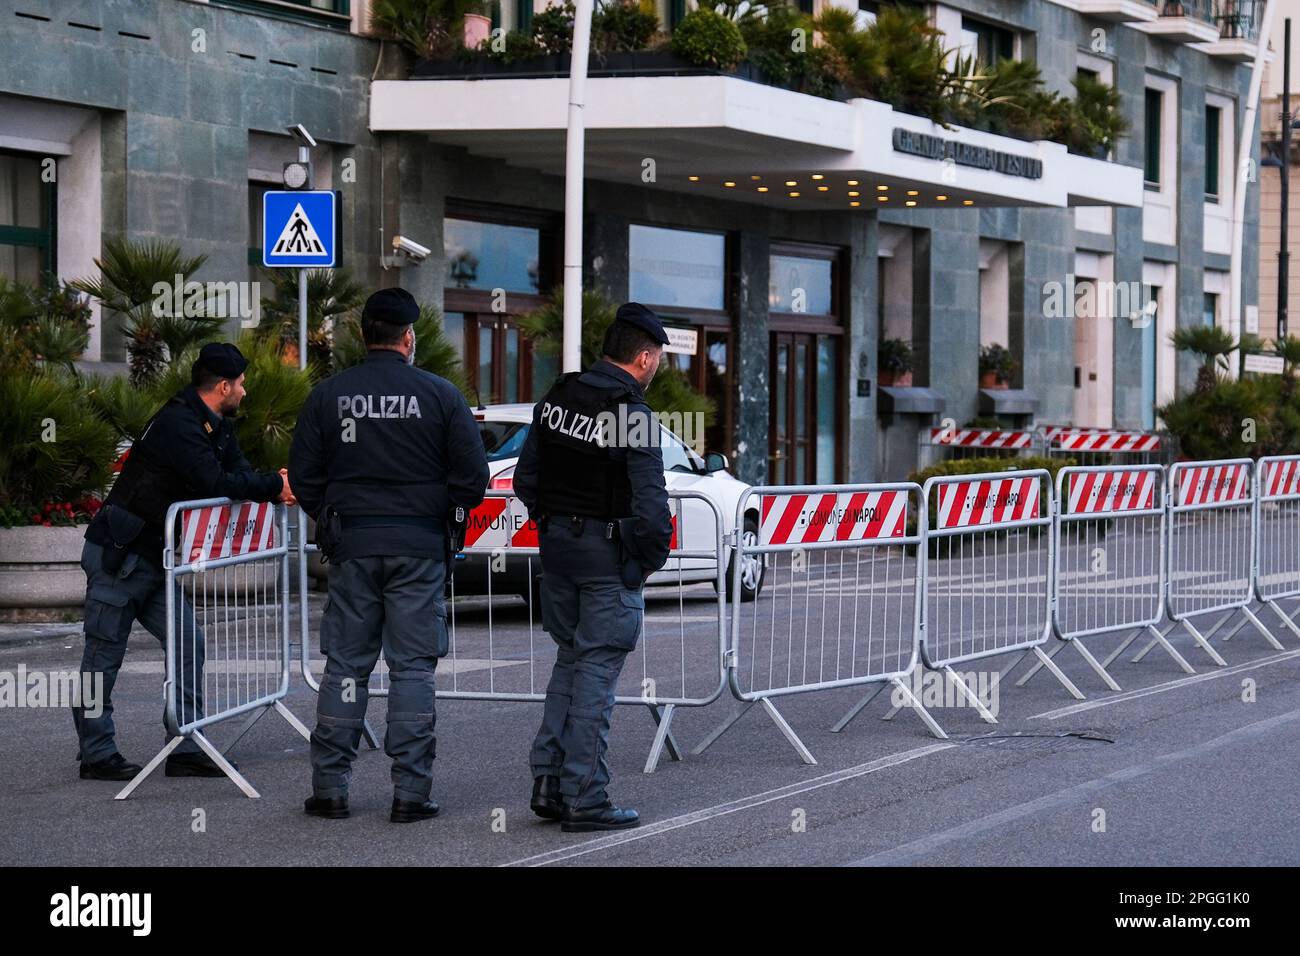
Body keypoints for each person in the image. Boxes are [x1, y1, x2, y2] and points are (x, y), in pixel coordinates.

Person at [289, 287, 488, 823]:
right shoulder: (441, 395)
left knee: (346, 667)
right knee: (412, 670)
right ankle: (411, 794)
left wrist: (336, 513)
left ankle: (330, 789)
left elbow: (305, 477)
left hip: (353, 548)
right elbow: (473, 482)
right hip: (420, 550)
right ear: (409, 338)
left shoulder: (329, 395)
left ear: (361, 335)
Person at [75, 342, 294, 781]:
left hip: (153, 559)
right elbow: (214, 480)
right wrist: (274, 485)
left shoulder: (215, 424)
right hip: (120, 555)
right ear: (224, 386)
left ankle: (186, 743)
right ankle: (97, 753)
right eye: (243, 386)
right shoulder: (179, 423)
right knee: (103, 656)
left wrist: (274, 483)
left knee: (187, 642)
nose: (246, 394)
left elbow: (239, 472)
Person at [514, 302, 674, 833]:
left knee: (571, 662)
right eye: (658, 360)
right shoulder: (631, 413)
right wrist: (643, 562)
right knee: (596, 675)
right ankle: (584, 794)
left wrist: (556, 524)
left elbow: (525, 480)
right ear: (644, 357)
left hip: (557, 552)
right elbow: (652, 509)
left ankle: (548, 781)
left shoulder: (561, 395)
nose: (656, 368)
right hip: (606, 558)